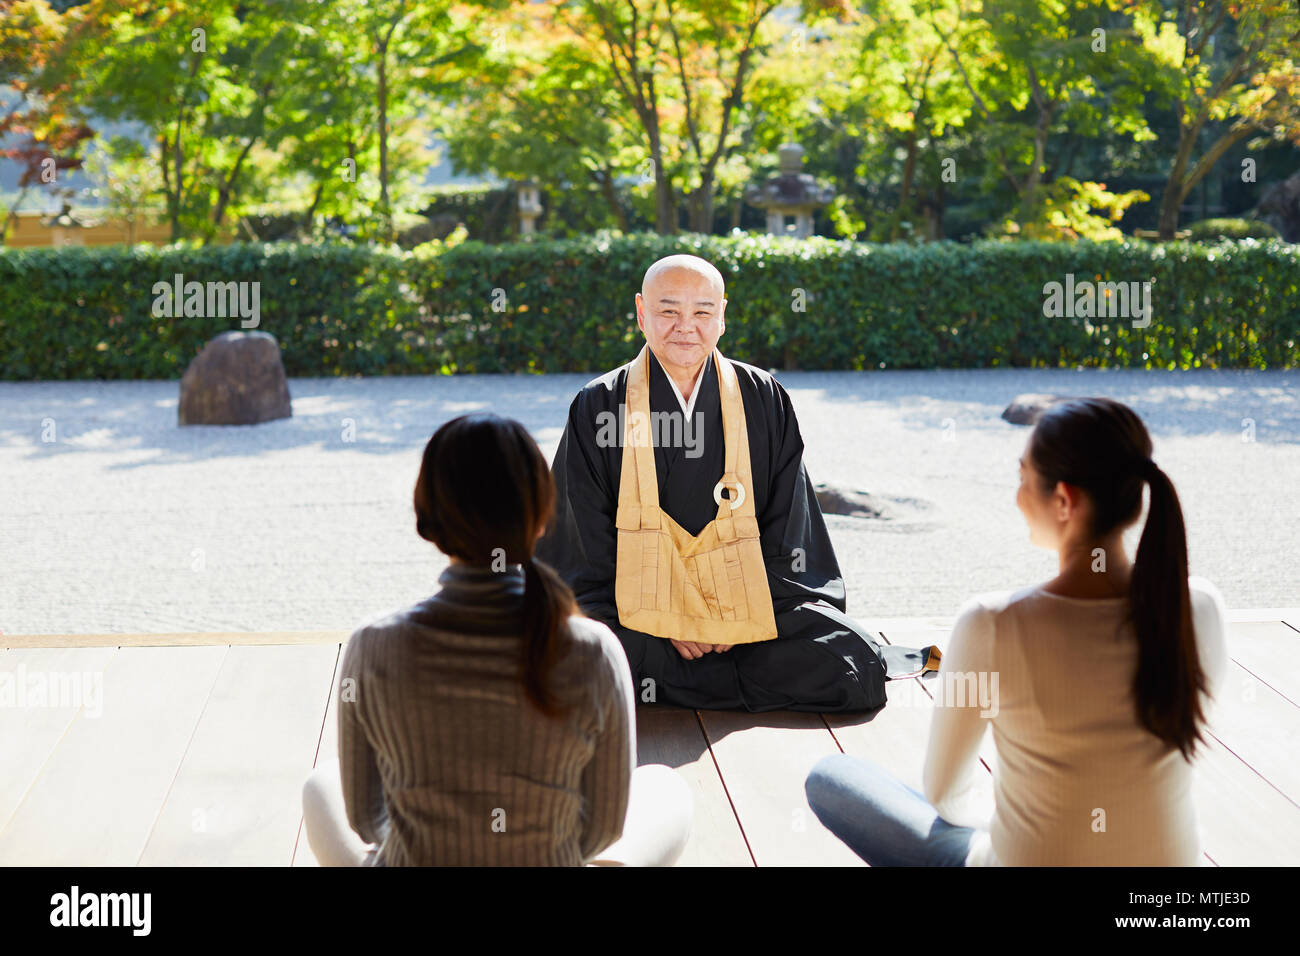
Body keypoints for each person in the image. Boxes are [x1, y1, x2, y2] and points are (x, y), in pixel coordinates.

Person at [804, 397, 1228, 866]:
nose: (1017, 496)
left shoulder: (992, 623)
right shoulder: (1199, 606)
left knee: (833, 777)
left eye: (1023, 478)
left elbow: (947, 798)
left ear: (1064, 500)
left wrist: (1014, 814)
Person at [535, 254, 937, 714]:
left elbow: (790, 535)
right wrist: (667, 620)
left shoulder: (762, 397)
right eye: (669, 311)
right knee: (571, 646)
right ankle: (712, 679)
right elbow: (582, 547)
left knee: (853, 661)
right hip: (639, 620)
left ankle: (668, 684)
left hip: (745, 616)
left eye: (702, 312)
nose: (685, 326)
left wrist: (728, 620)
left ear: (722, 316)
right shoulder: (599, 406)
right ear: (642, 313)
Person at [301, 413, 693, 866]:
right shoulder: (594, 649)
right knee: (666, 788)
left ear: (426, 520)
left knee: (321, 787)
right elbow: (604, 827)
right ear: (542, 518)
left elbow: (366, 820)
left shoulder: (372, 645)